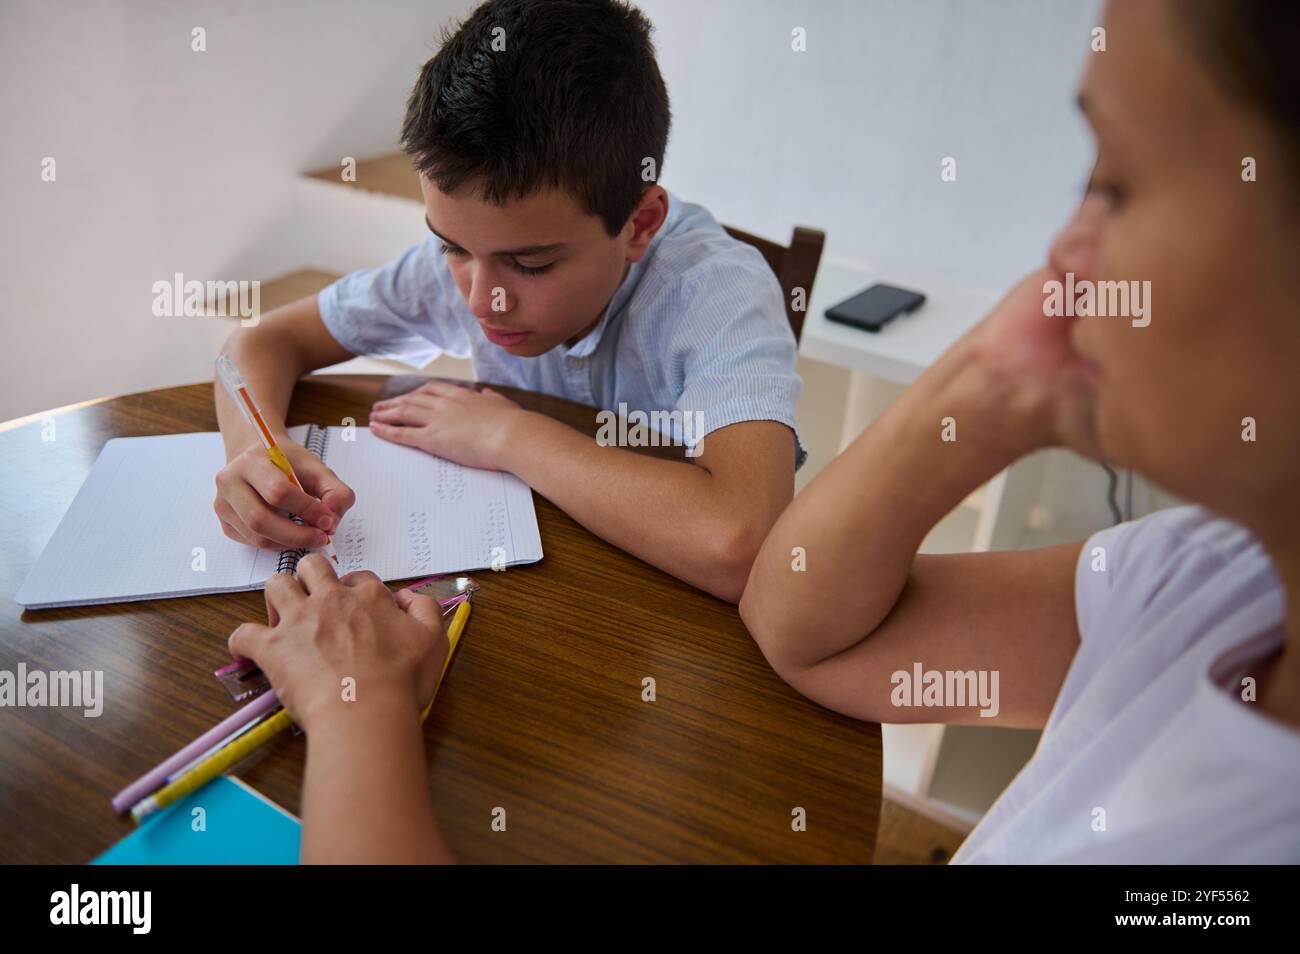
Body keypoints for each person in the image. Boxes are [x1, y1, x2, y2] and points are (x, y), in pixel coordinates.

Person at [739, 0, 1300, 862]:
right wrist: (991, 381)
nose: (1063, 256)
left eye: (1114, 183)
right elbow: (802, 633)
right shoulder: (1213, 579)